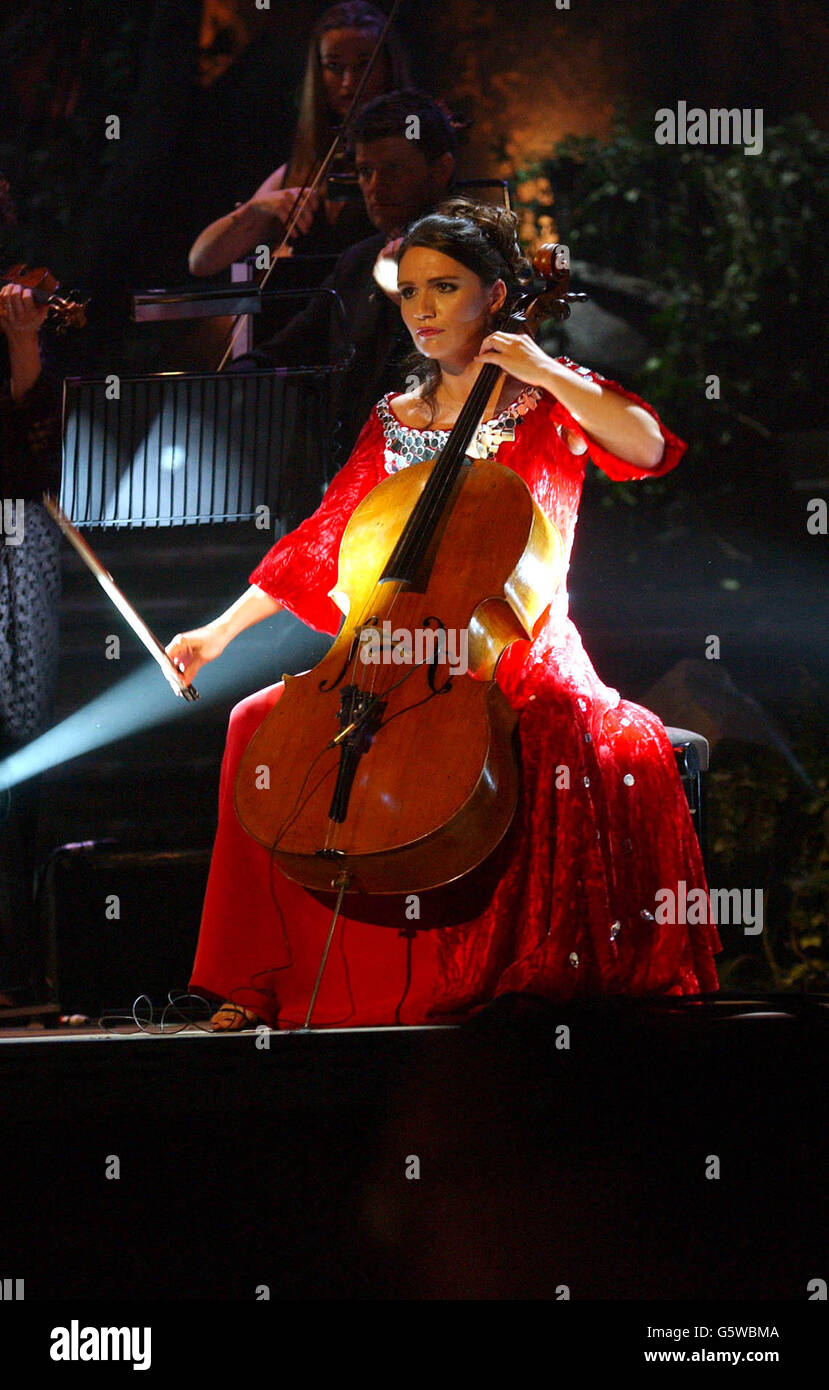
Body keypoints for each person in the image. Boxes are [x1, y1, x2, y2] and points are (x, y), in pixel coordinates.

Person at [167, 199, 721, 1031]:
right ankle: (256, 979)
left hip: (518, 644)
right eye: (410, 291)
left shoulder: (547, 403)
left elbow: (644, 444)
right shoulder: (396, 416)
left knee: (549, 730)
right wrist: (216, 633)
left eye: (445, 287)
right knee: (255, 724)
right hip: (395, 645)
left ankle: (484, 970)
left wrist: (547, 371)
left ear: (496, 296)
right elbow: (326, 540)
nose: (421, 309)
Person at [229, 88, 457, 465]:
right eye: (366, 171)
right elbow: (297, 341)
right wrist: (230, 378)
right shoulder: (358, 259)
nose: (375, 186)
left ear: (441, 170)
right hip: (353, 461)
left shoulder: (470, 256)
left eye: (394, 169)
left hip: (434, 459)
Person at [188, 2, 411, 277]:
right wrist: (258, 209)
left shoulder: (412, 153)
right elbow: (201, 261)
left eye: (364, 65)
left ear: (388, 67)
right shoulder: (306, 165)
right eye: (334, 67)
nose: (349, 82)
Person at [0, 271, 62, 1009]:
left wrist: (22, 343)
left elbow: (36, 454)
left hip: (14, 540)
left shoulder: (22, 294)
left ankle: (17, 962)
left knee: (17, 741)